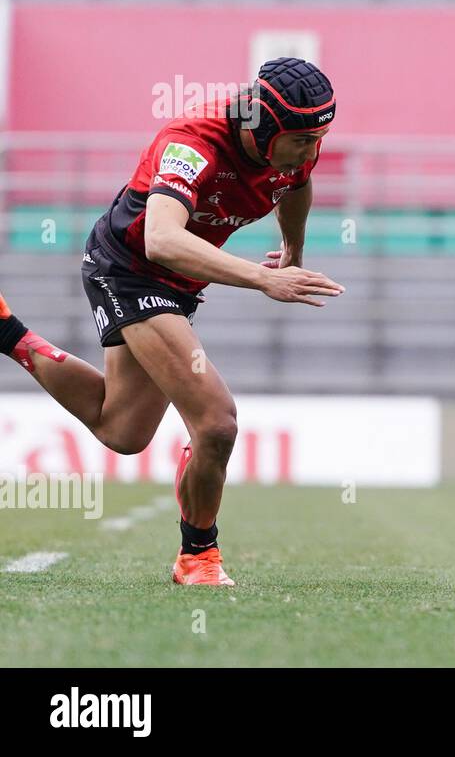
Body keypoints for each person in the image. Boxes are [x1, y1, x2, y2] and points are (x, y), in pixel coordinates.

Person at [0, 57, 344, 586]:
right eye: (303, 138)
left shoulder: (296, 148)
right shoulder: (192, 142)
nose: (313, 150)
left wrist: (292, 251)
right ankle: (198, 558)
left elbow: (295, 184)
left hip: (178, 283)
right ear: (264, 126)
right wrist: (262, 278)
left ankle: (6, 331)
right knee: (217, 422)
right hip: (130, 270)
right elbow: (162, 238)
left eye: (320, 137)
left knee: (123, 430)